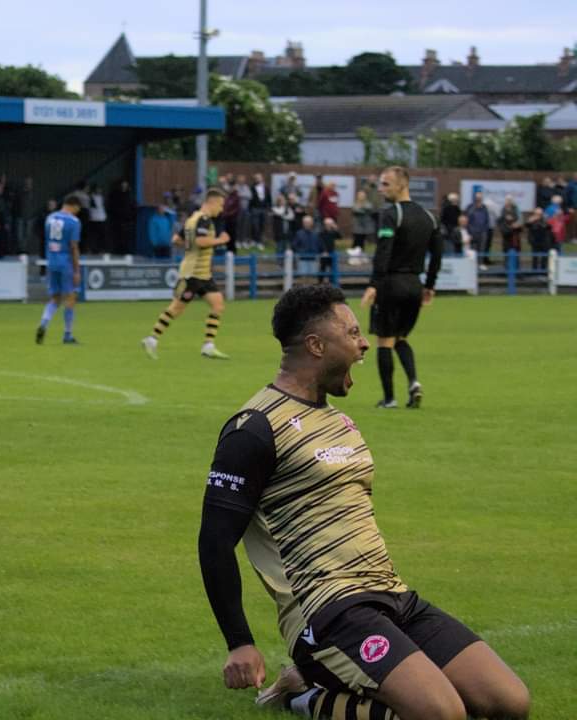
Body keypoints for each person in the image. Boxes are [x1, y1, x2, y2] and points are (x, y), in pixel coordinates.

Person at [199, 284, 530, 720]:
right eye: (352, 332)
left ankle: (311, 681)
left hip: (391, 595)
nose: (364, 342)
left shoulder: (339, 420)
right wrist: (239, 640)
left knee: (509, 703)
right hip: (326, 610)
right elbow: (215, 540)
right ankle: (303, 695)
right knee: (442, 714)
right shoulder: (254, 428)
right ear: (316, 345)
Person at [361, 166, 443, 410]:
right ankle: (414, 383)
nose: (381, 189)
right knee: (401, 338)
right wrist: (429, 285)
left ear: (402, 185)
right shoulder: (429, 217)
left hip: (391, 284)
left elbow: (383, 251)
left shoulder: (391, 214)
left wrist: (374, 284)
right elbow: (437, 256)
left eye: (386, 184)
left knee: (384, 340)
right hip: (414, 286)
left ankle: (389, 399)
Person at [141, 188, 231, 360]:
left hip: (203, 273)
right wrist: (220, 240)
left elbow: (176, 240)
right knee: (176, 308)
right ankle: (151, 339)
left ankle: (208, 346)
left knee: (218, 305)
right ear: (211, 203)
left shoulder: (192, 219)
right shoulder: (204, 220)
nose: (221, 209)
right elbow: (200, 241)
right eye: (220, 205)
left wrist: (189, 246)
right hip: (192, 274)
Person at [35, 195, 82, 345]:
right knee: (71, 297)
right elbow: (73, 246)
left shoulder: (49, 218)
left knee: (55, 298)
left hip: (52, 261)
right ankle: (67, 335)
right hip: (65, 263)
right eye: (77, 209)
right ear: (74, 206)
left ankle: (43, 323)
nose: (77, 213)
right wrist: (76, 271)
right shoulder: (73, 222)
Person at [291, 215, 323, 280]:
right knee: (303, 279)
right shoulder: (299, 233)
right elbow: (294, 245)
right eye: (305, 222)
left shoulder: (316, 233)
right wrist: (300, 251)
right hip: (303, 260)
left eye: (309, 222)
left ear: (312, 223)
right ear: (303, 223)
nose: (307, 224)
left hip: (313, 259)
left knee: (313, 279)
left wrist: (322, 252)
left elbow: (320, 245)